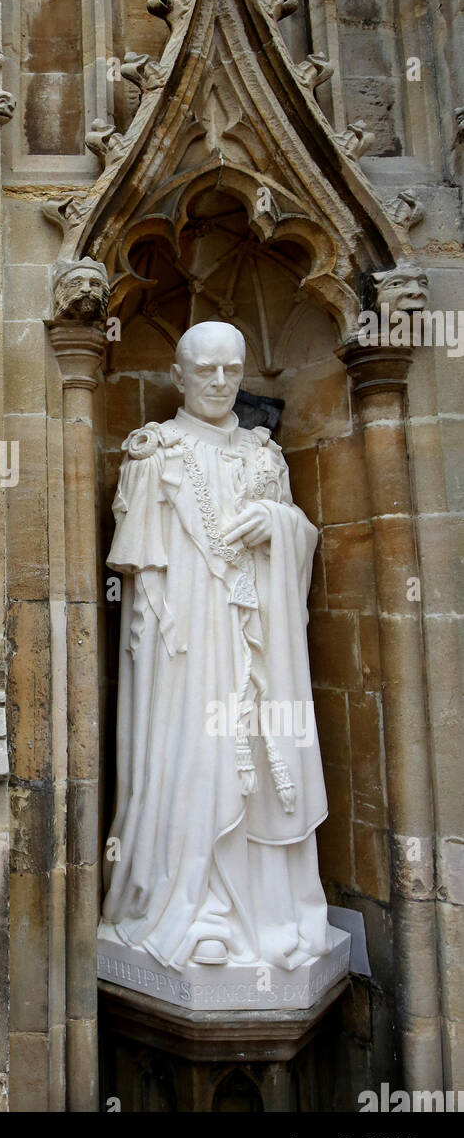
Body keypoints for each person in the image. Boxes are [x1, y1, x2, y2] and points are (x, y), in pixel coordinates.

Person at [100, 321, 335, 972]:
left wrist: (280, 526)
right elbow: (142, 575)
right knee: (196, 765)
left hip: (260, 643)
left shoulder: (265, 455)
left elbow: (300, 549)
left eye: (231, 370)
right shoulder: (154, 452)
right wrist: (166, 656)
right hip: (188, 649)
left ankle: (267, 913)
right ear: (178, 375)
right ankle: (197, 907)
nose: (218, 381)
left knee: (262, 762)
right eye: (204, 369)